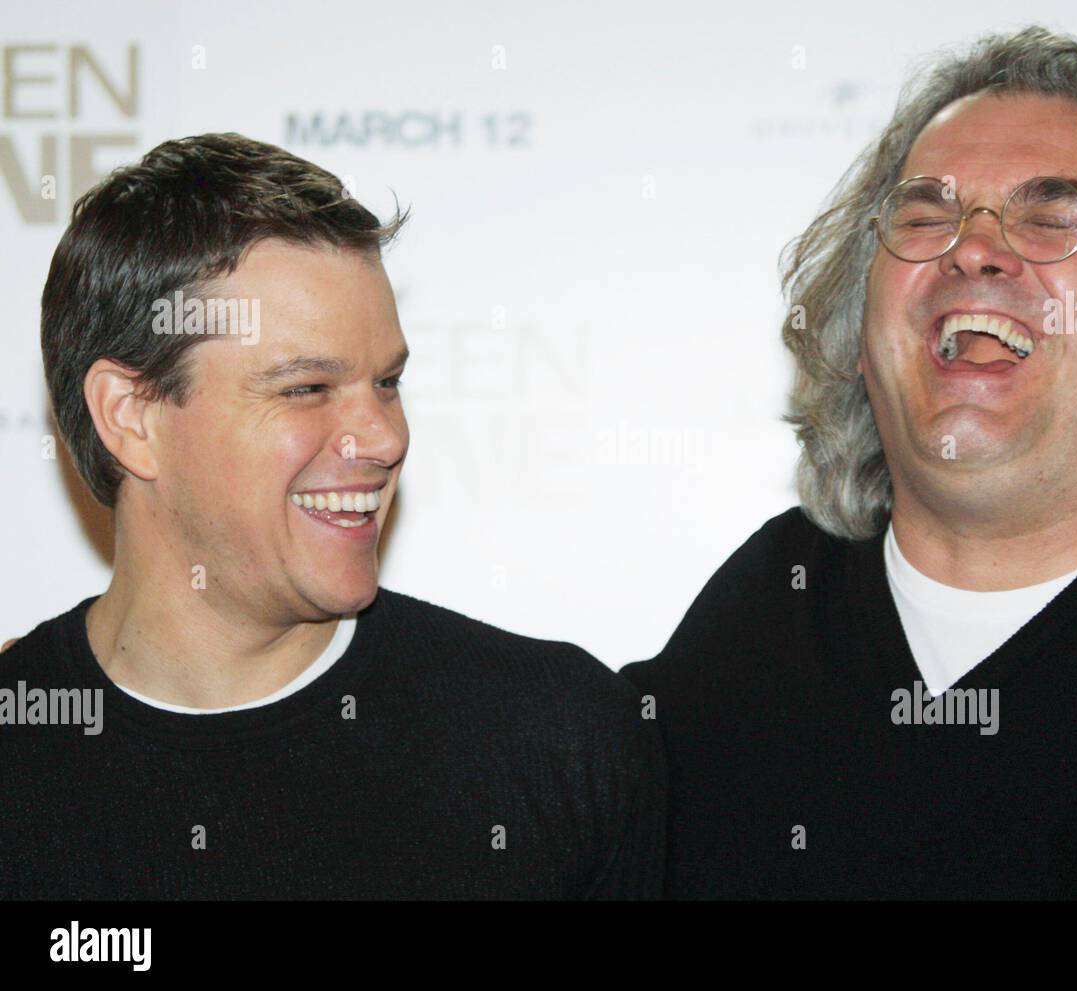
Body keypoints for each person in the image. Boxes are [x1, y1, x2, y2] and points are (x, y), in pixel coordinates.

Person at [622, 26, 1077, 899]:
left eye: (1051, 217)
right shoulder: (738, 647)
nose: (973, 249)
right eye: (925, 218)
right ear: (858, 334)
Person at [0, 133, 664, 899]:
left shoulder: (558, 741)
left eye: (387, 382)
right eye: (306, 388)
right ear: (131, 416)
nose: (384, 438)